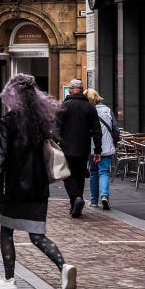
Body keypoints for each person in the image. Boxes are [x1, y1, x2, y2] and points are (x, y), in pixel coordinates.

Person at [0, 73, 77, 289]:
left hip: (13, 187)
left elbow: (2, 155)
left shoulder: (9, 121)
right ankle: (63, 266)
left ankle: (9, 279)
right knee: (37, 235)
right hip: (38, 186)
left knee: (7, 231)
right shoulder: (41, 122)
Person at [56, 79, 102, 218]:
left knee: (66, 175)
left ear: (70, 90)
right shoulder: (90, 107)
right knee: (79, 176)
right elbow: (96, 130)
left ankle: (76, 198)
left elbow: (56, 128)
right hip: (83, 148)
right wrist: (98, 150)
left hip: (66, 147)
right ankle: (75, 206)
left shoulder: (64, 106)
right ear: (81, 90)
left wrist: (55, 143)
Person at [85, 89, 117, 210]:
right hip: (106, 147)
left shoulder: (86, 111)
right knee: (103, 172)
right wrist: (115, 142)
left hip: (92, 148)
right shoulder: (107, 110)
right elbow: (115, 129)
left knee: (93, 173)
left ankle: (93, 200)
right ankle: (104, 196)